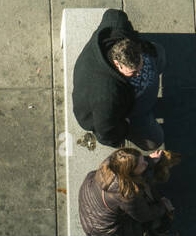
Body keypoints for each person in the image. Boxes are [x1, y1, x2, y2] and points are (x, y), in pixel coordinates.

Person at [72, 8, 170, 150]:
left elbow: (114, 14)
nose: (139, 73)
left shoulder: (117, 30)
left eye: (141, 66)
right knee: (154, 141)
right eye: (133, 73)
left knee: (158, 52)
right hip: (131, 108)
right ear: (117, 64)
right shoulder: (106, 96)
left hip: (129, 96)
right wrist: (121, 133)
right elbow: (105, 130)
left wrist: (136, 39)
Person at [78, 148, 179, 236]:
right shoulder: (127, 194)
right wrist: (163, 206)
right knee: (163, 214)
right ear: (129, 172)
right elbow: (145, 215)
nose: (145, 163)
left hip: (92, 219)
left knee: (146, 185)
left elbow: (132, 165)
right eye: (142, 164)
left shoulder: (110, 163)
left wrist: (150, 160)